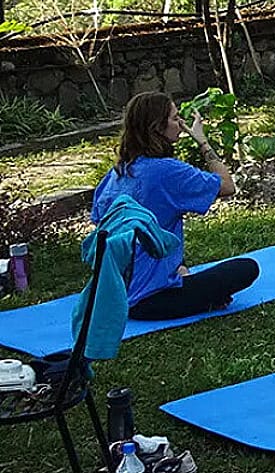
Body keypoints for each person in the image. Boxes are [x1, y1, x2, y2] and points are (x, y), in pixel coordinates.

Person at [91, 92, 257, 321]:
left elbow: (101, 225)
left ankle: (185, 280)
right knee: (246, 268)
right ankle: (204, 297)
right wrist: (203, 142)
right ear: (156, 127)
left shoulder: (116, 174)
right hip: (150, 301)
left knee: (172, 256)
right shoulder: (168, 172)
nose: (181, 124)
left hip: (113, 294)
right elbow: (228, 186)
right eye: (175, 118)